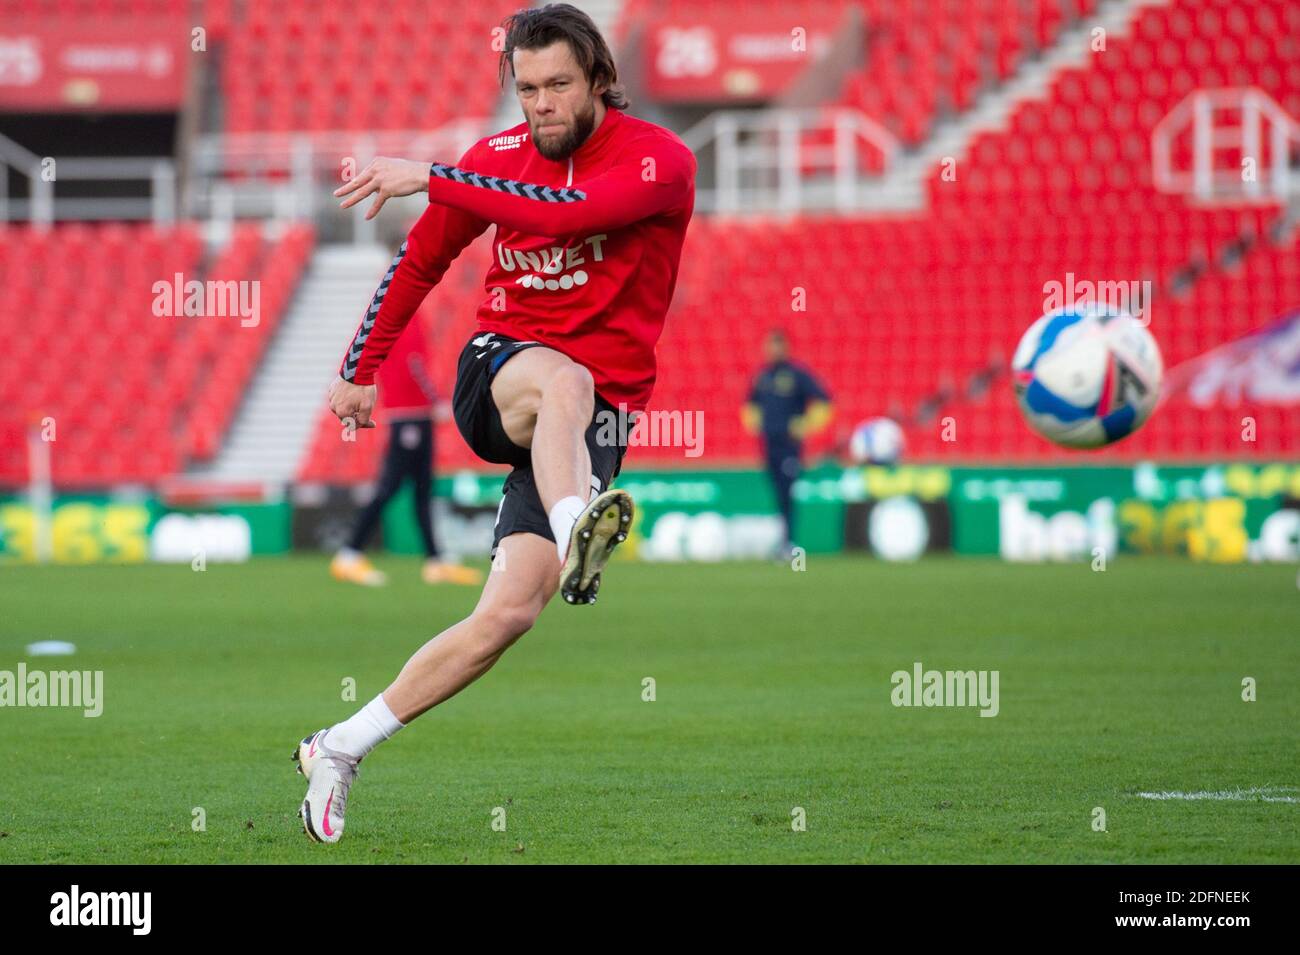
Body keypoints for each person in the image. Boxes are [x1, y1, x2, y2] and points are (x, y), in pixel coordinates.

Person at [291, 3, 696, 843]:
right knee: (564, 379)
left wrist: (433, 175)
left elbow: (573, 216)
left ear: (599, 82)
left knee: (507, 614)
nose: (540, 104)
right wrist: (360, 368)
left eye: (557, 86)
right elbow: (424, 258)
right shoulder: (496, 160)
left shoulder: (662, 162)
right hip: (501, 370)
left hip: (599, 422)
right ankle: (578, 520)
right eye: (526, 89)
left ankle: (337, 746)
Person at [329, 319, 483, 587]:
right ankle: (349, 554)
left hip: (409, 416)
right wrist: (435, 401)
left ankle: (435, 559)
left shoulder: (392, 317)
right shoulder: (407, 319)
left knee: (422, 491)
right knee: (390, 488)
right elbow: (415, 366)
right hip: (410, 417)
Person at [741, 330, 833, 558]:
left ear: (785, 348)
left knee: (787, 492)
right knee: (778, 493)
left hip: (789, 446)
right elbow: (749, 404)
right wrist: (756, 424)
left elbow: (825, 401)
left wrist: (805, 426)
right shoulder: (762, 376)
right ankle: (784, 542)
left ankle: (789, 543)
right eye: (769, 346)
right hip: (769, 445)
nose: (772, 351)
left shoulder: (797, 375)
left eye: (776, 346)